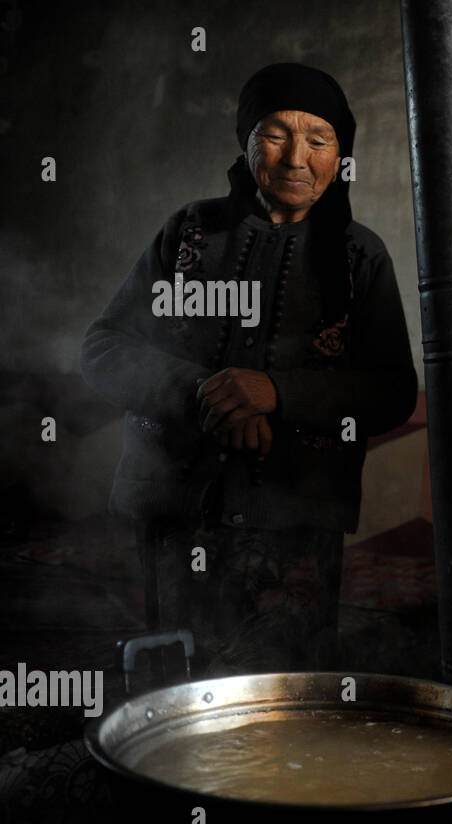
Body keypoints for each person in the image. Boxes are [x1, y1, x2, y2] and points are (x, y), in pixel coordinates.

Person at [81, 63, 417, 676]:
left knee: (286, 697)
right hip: (176, 513)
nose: (296, 158)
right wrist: (202, 393)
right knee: (177, 686)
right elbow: (103, 348)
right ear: (245, 141)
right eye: (275, 134)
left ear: (341, 155)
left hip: (294, 522)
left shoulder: (358, 256)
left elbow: (392, 390)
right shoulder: (187, 233)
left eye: (319, 140)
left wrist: (277, 393)